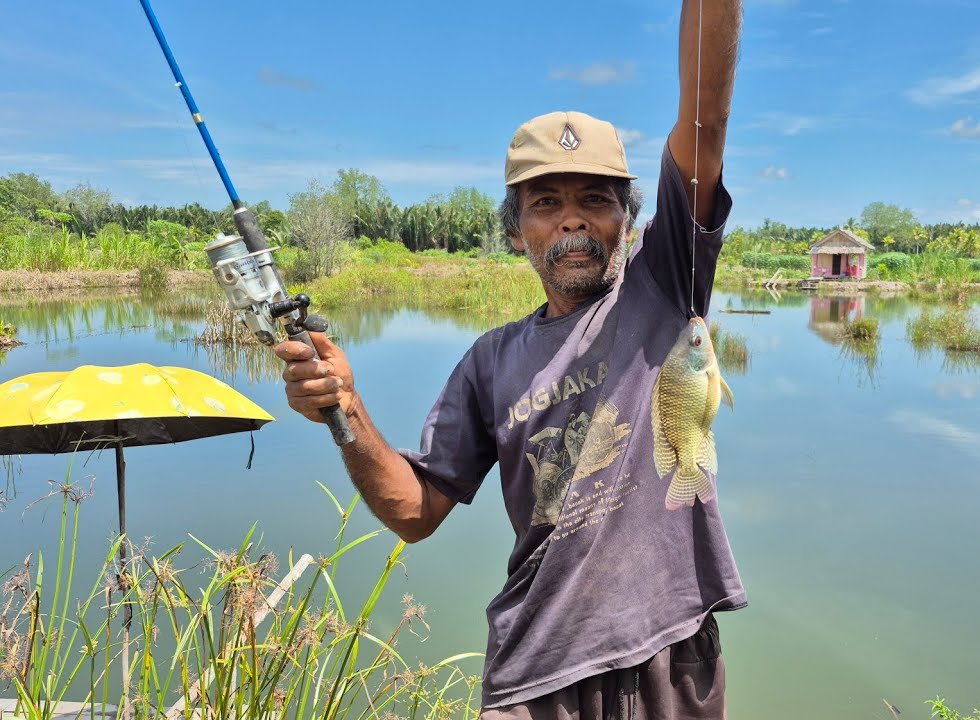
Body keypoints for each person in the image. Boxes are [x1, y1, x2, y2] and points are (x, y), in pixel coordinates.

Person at [275, 2, 744, 717]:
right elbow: (413, 510)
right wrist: (344, 407)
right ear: (516, 230)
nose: (572, 218)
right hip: (534, 673)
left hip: (666, 654)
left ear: (626, 220)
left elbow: (704, 118)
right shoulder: (488, 362)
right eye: (545, 202)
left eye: (595, 198)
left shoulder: (662, 282)